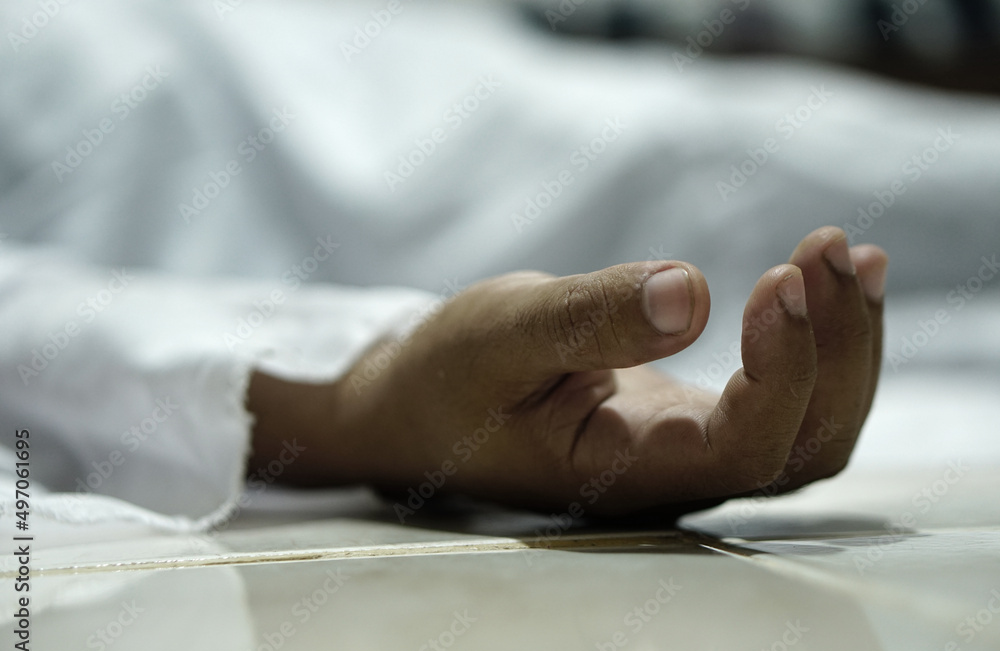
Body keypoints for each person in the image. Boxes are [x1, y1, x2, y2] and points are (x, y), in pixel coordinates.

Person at [0, 0, 994, 530]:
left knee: (687, 144)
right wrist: (365, 396)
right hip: (139, 150)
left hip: (285, 66)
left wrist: (373, 394)